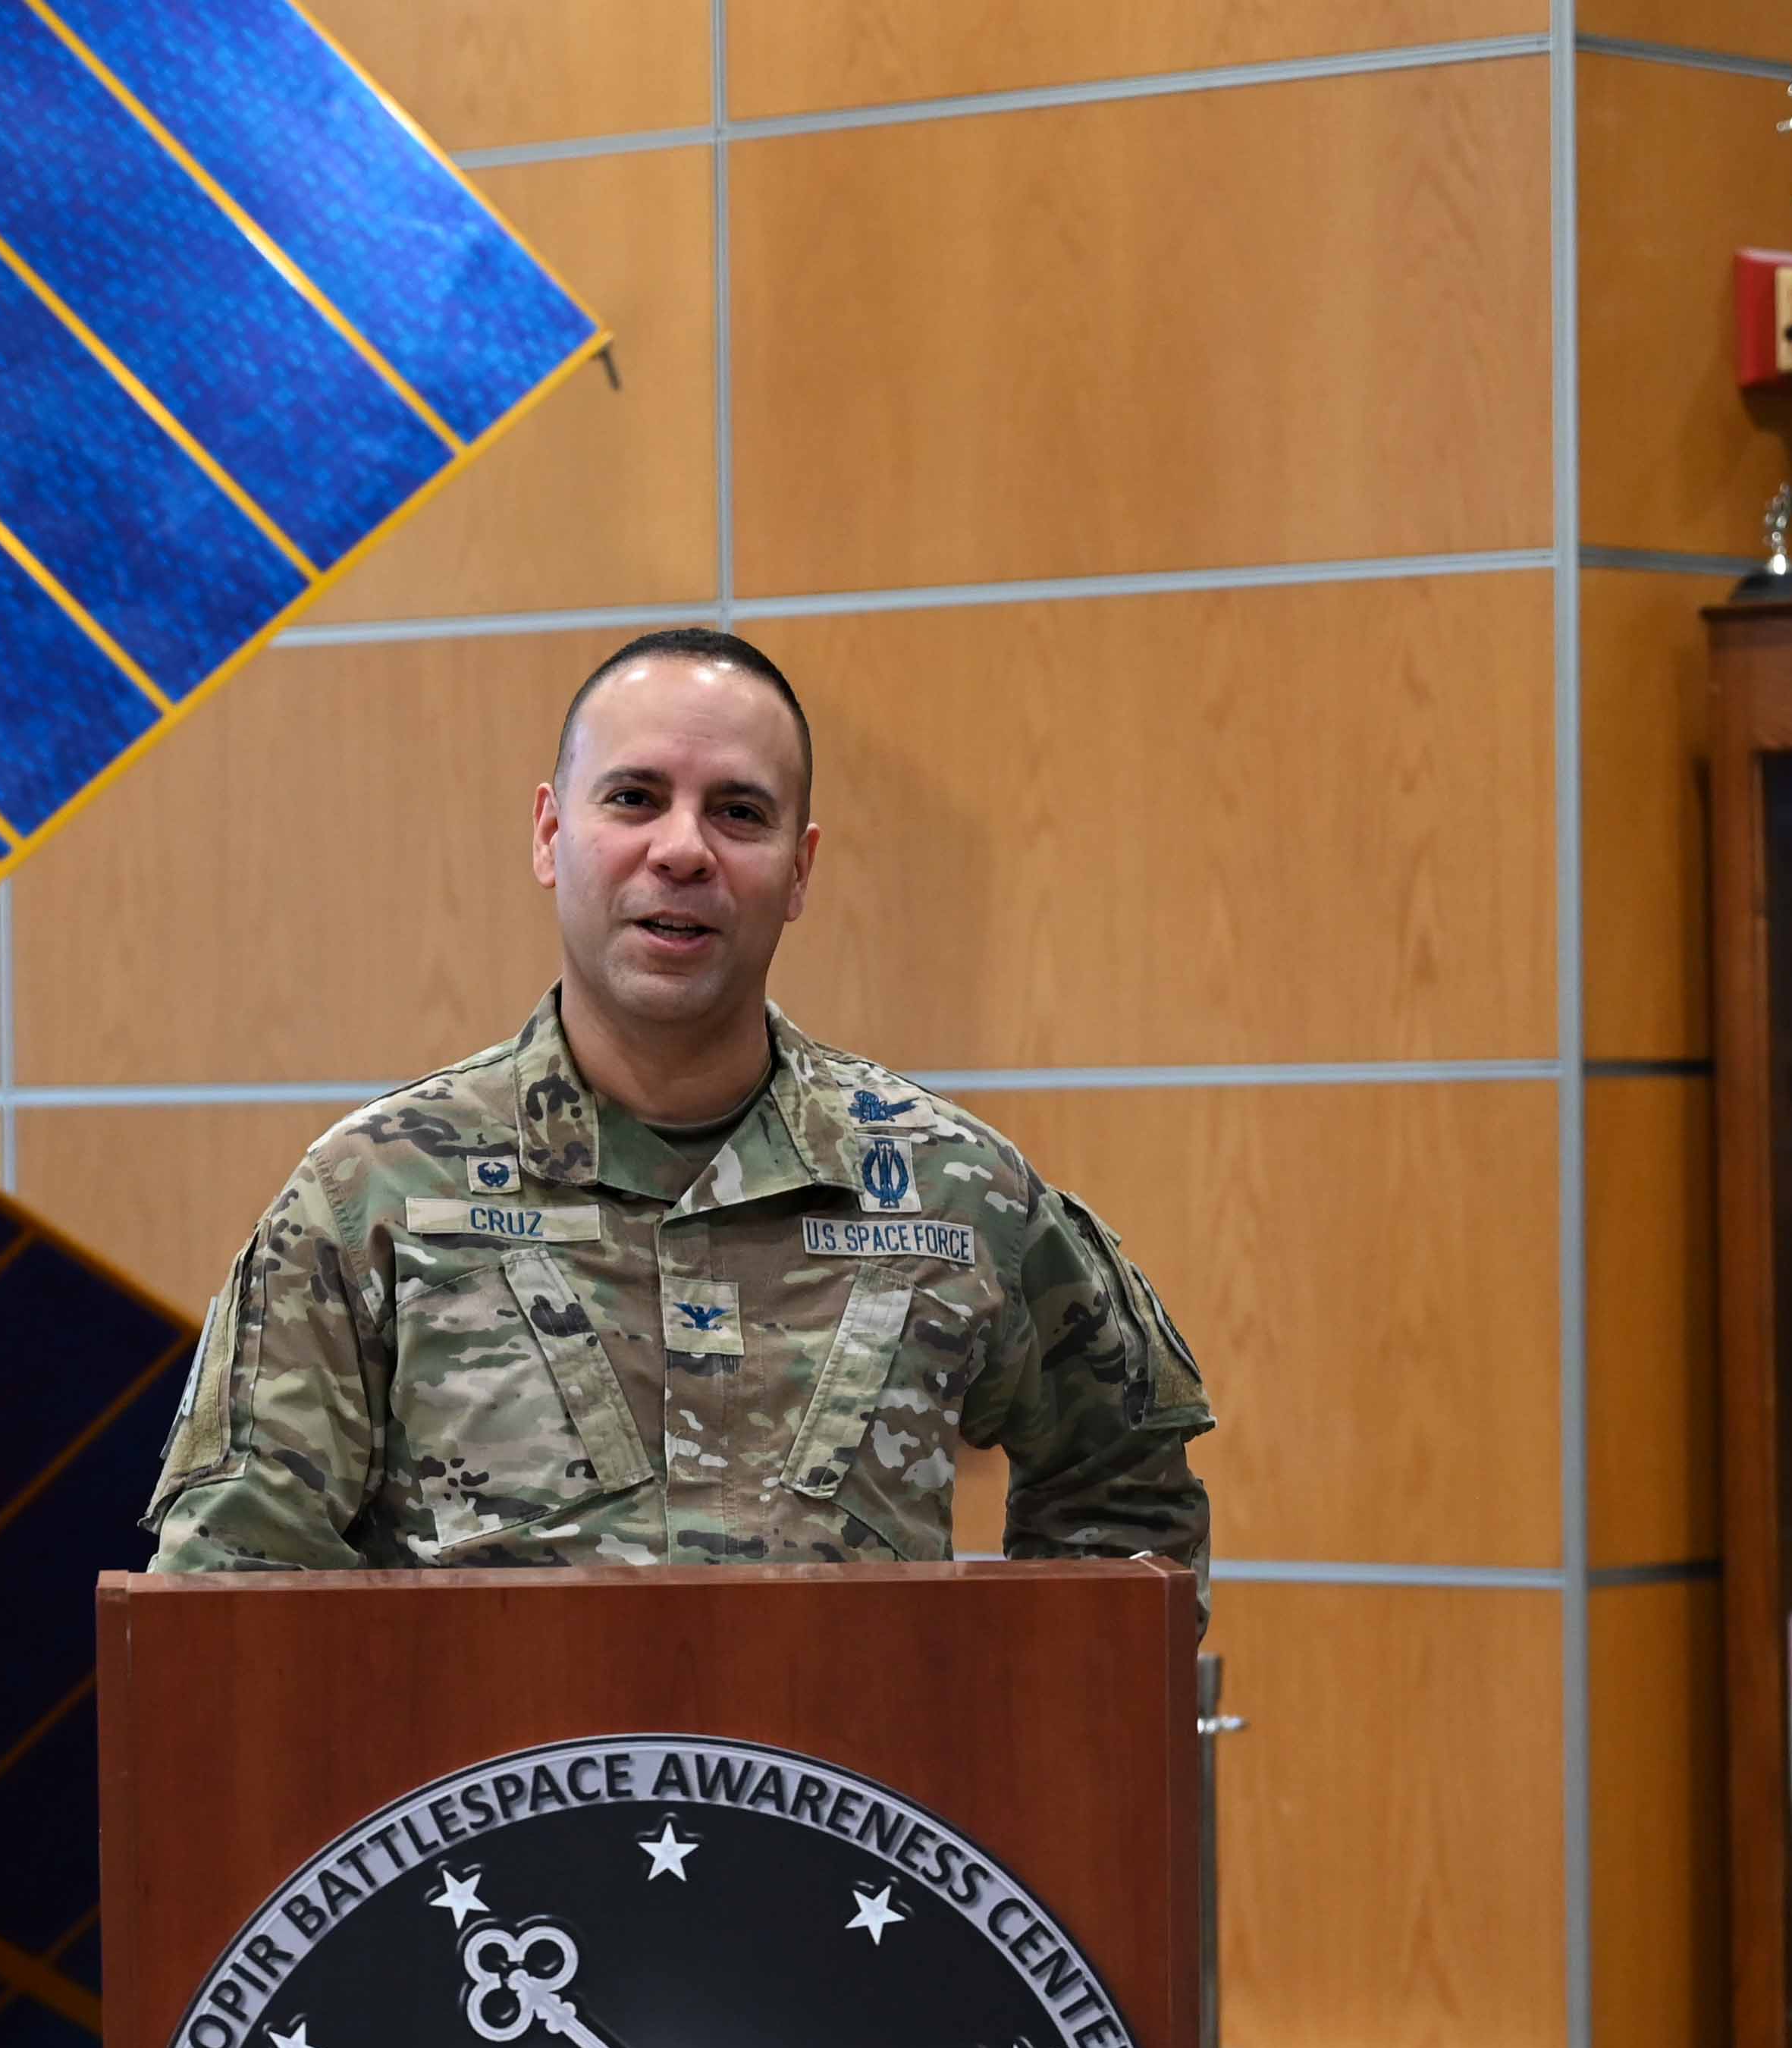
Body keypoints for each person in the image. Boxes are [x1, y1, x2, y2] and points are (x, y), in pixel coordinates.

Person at [142, 626, 1212, 1588]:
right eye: (633, 798)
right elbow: (232, 1595)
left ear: (797, 872)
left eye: (737, 812)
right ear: (549, 835)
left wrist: (1028, 1743)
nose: (683, 849)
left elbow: (1124, 1490)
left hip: (837, 1808)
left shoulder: (951, 1188)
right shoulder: (372, 1194)